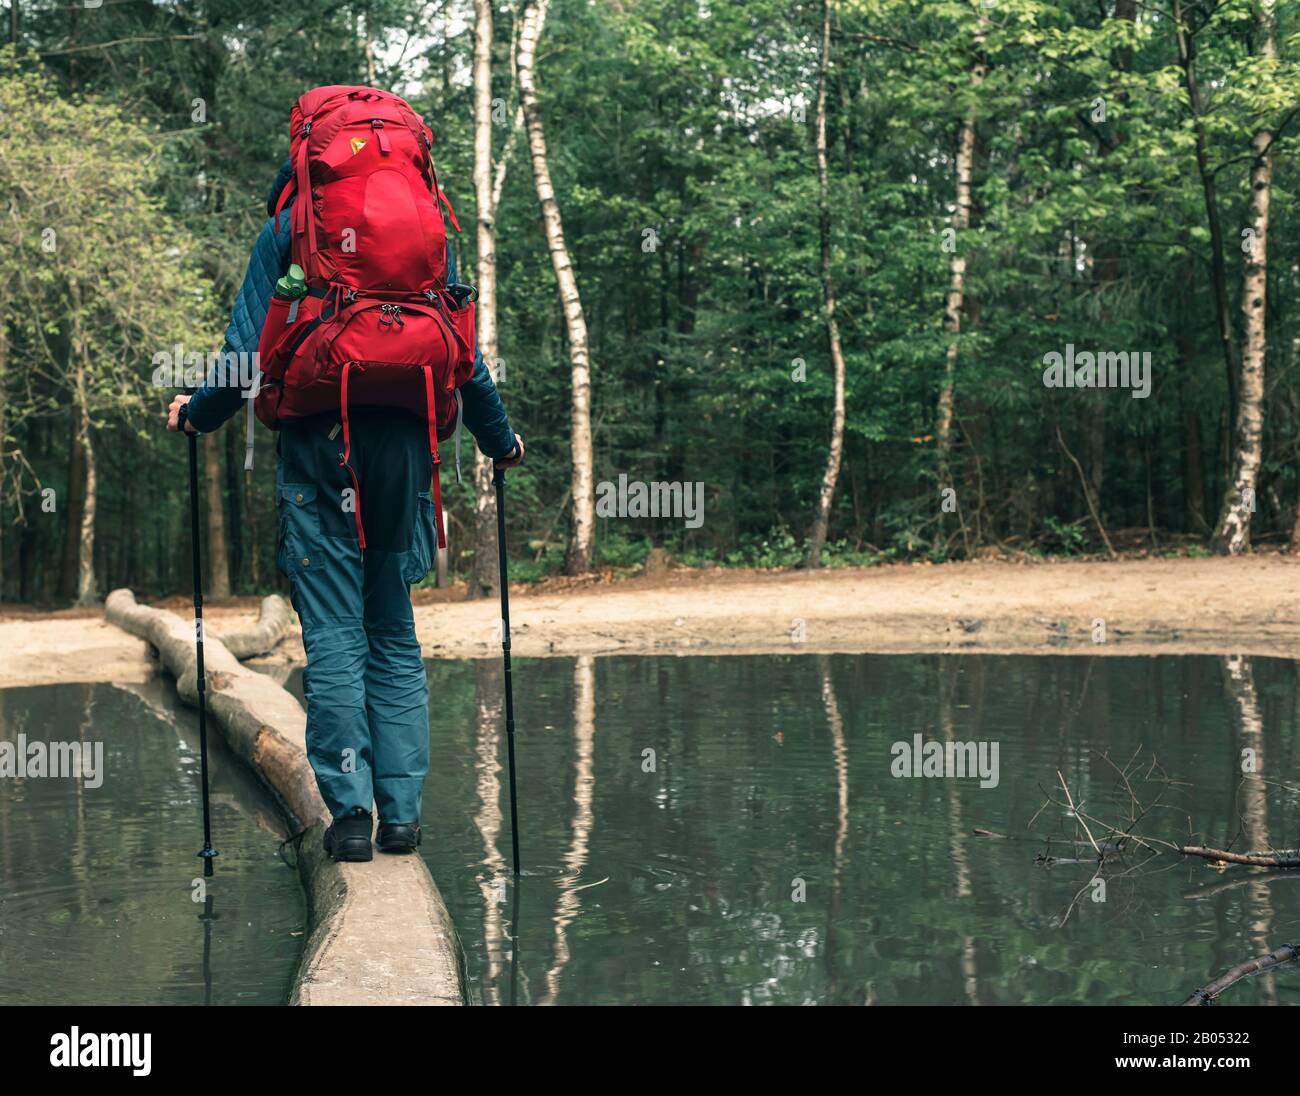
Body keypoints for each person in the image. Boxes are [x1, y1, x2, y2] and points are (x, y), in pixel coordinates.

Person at [167, 159, 522, 862]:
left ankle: (352, 818)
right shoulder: (425, 229)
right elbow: (465, 358)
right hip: (406, 450)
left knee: (333, 631)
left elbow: (243, 357)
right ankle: (402, 821)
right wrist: (500, 441)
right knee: (390, 631)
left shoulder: (290, 228)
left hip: (319, 448)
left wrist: (195, 415)